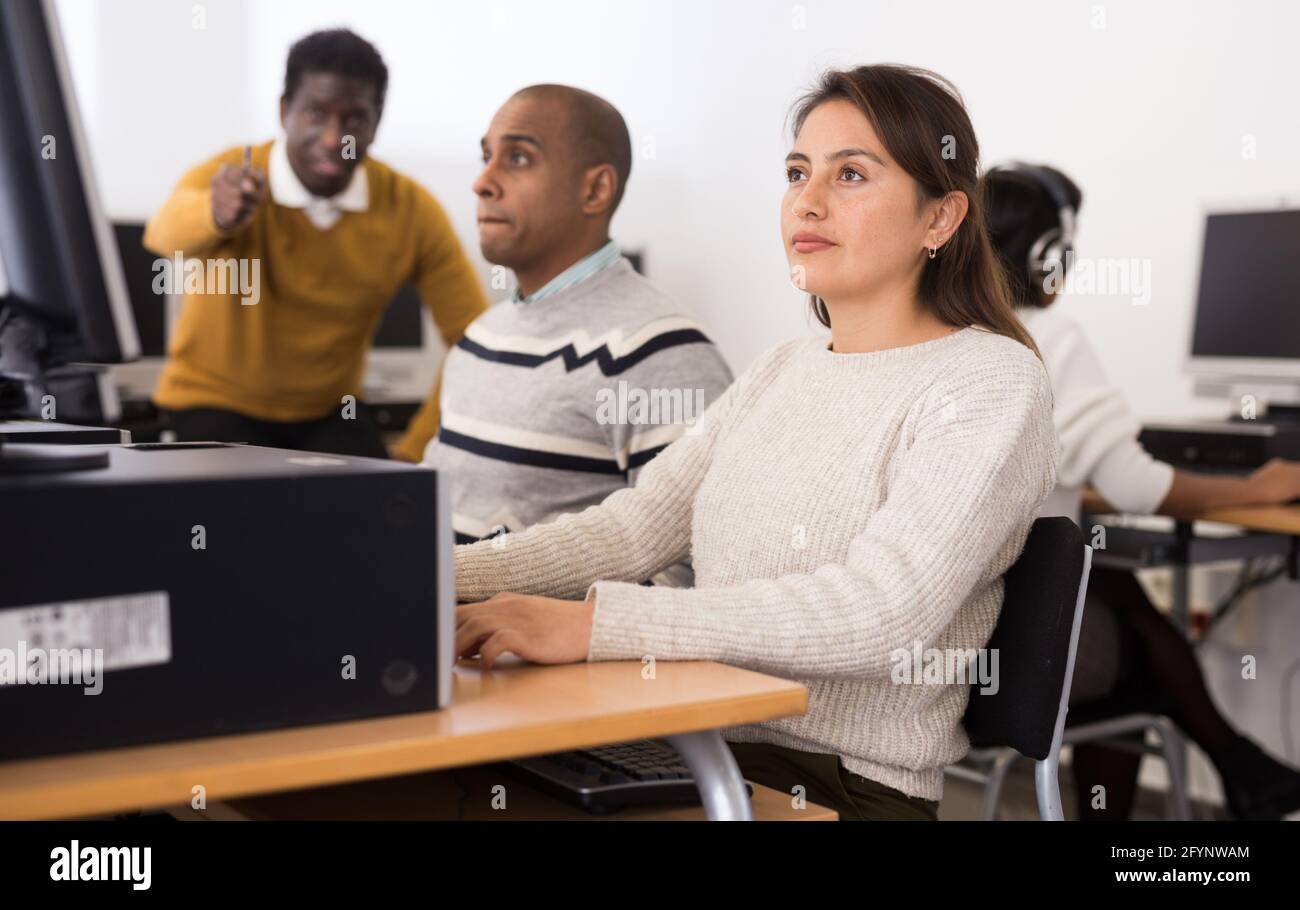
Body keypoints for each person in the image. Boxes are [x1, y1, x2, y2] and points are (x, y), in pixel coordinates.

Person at [451, 65, 1057, 821]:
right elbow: (632, 529)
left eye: (851, 174)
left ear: (941, 217)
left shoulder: (991, 380)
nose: (808, 200)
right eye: (798, 172)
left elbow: (882, 612)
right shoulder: (781, 368)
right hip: (699, 746)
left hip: (843, 788)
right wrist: (435, 574)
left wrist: (594, 625)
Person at [985, 162, 1300, 820]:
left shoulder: (939, 330)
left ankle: (1245, 771)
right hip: (1004, 654)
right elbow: (1138, 485)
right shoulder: (1047, 337)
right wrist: (1258, 485)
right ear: (1049, 255)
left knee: (1109, 582)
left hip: (946, 642)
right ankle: (1240, 768)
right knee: (1142, 660)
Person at [143, 29, 487, 460]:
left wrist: (416, 451)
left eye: (354, 119)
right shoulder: (233, 173)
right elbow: (162, 235)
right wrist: (216, 214)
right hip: (212, 402)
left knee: (388, 497)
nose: (332, 139)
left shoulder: (410, 208)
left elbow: (474, 339)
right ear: (284, 110)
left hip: (329, 413)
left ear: (377, 122)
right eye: (314, 113)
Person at [423, 85, 732, 565]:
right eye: (486, 157)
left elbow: (691, 573)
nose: (482, 182)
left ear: (595, 190)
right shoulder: (479, 338)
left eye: (518, 158)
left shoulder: (664, 354)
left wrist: (494, 602)